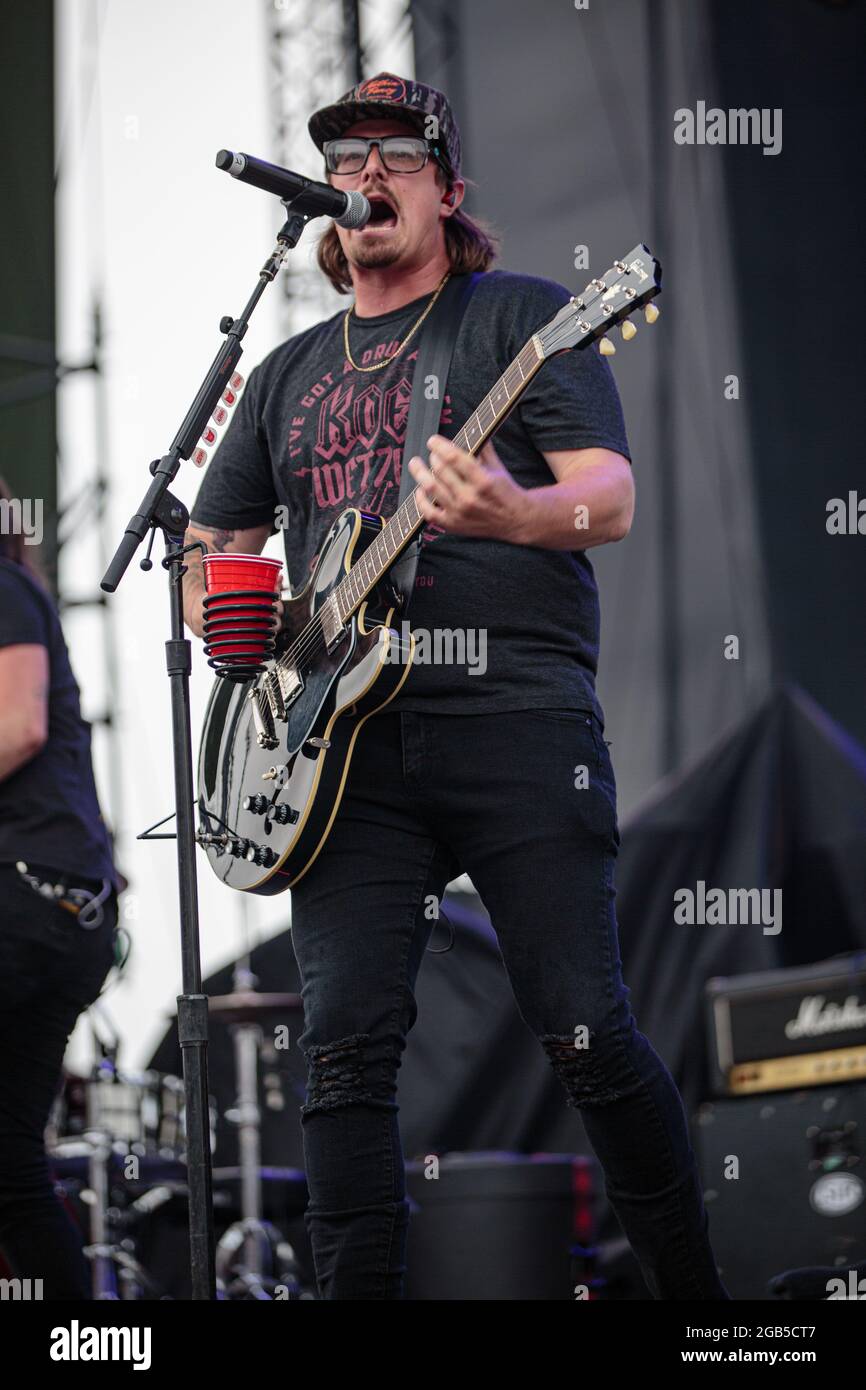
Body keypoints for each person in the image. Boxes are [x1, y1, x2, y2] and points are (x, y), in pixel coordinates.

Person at [182, 73, 730, 1300]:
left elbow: (610, 496)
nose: (366, 171)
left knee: (585, 1026)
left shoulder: (520, 321)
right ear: (326, 200)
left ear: (446, 189)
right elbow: (215, 544)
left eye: (395, 155)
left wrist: (513, 510)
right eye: (345, 156)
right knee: (343, 1057)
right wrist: (236, 624)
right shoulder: (281, 373)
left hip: (513, 716)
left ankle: (703, 1311)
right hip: (335, 758)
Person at [0, 477, 120, 1299]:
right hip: (66, 907)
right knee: (9, 1171)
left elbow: (20, 725)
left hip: (30, 896)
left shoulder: (2, 586)